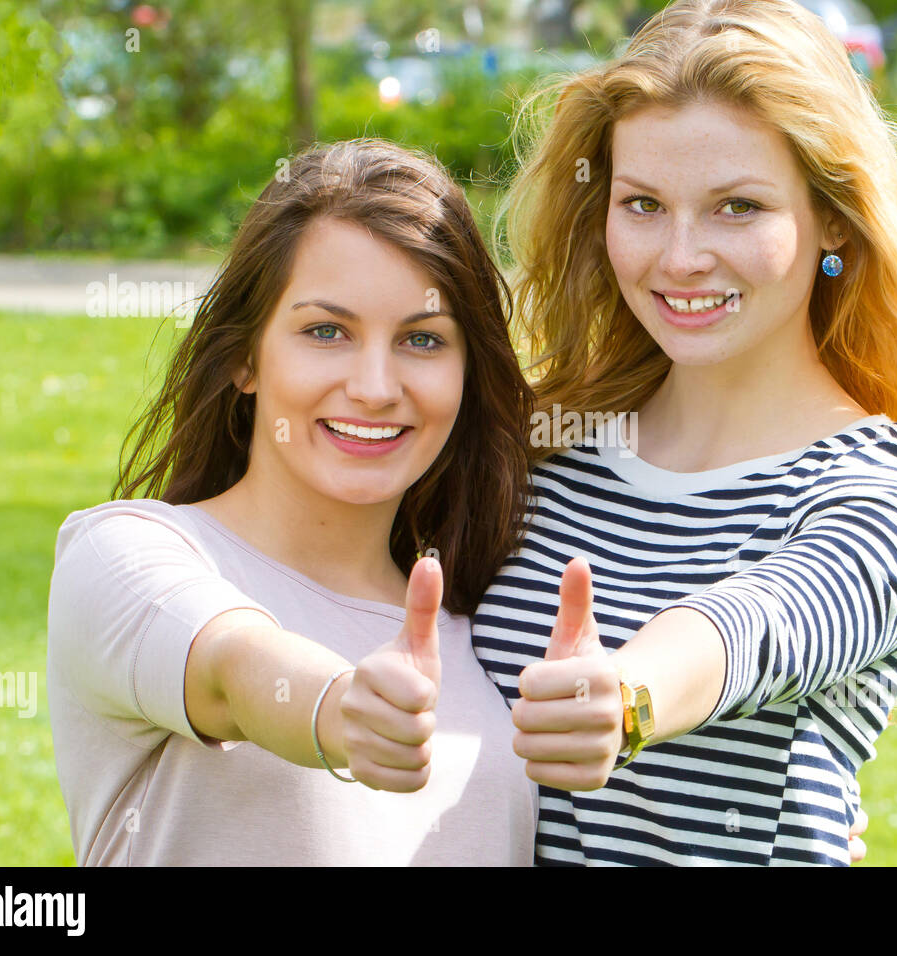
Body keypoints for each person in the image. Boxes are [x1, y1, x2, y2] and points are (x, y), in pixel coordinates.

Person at [474, 0, 897, 865]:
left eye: (737, 207)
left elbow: (759, 625)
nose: (680, 258)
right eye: (643, 204)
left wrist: (628, 698)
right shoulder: (542, 450)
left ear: (832, 219)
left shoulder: (892, 494)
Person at [47, 139, 539, 865]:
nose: (375, 385)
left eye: (423, 340)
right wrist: (338, 710)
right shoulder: (127, 558)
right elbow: (232, 670)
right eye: (326, 331)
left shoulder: (481, 631)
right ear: (246, 355)